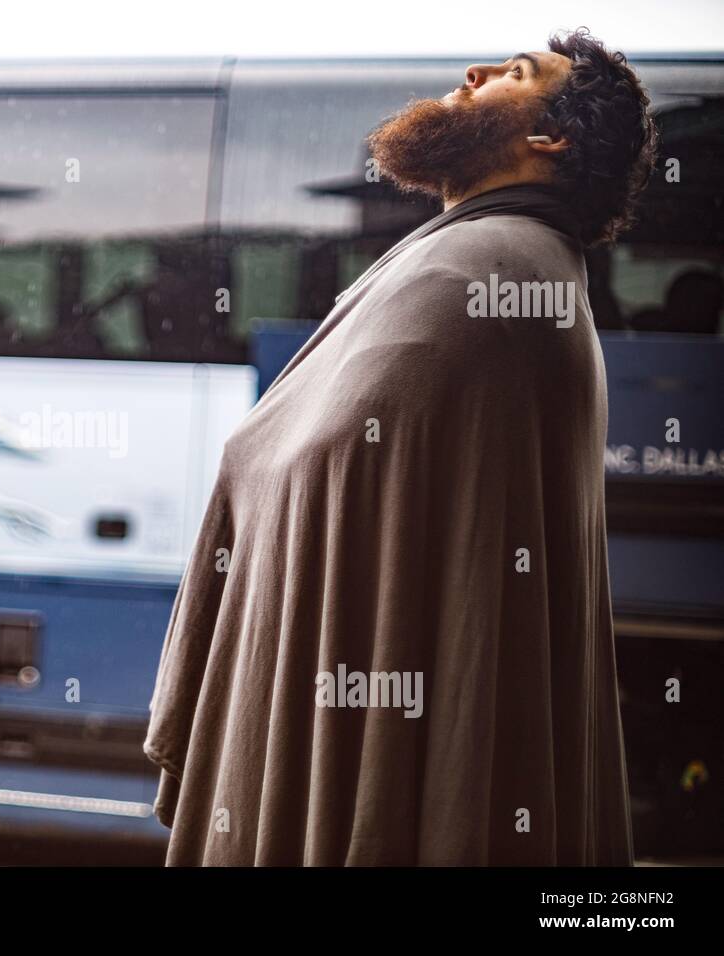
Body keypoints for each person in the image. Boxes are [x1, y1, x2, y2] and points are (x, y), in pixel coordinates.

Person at [143, 27, 658, 865]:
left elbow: (330, 470)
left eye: (513, 74)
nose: (476, 72)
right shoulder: (498, 262)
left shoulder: (483, 276)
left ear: (548, 137)